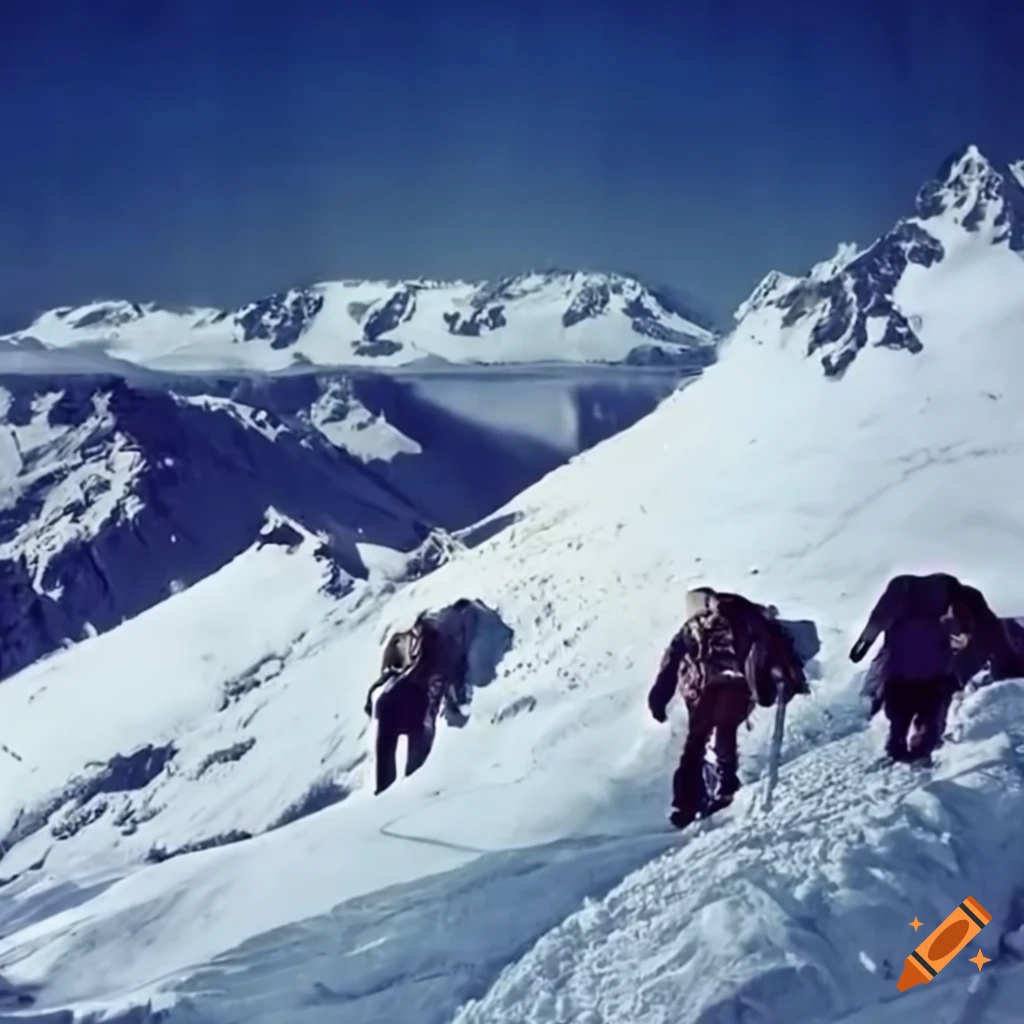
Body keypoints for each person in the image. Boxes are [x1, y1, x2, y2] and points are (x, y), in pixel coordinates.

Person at [647, 587, 807, 829]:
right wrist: (660, 696)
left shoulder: (724, 621)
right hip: (720, 685)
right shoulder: (701, 627)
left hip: (734, 684)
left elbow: (672, 664)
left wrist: (659, 696)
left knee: (712, 732)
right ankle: (703, 794)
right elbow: (673, 663)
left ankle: (702, 796)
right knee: (709, 734)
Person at [849, 573, 969, 763]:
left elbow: (879, 618)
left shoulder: (900, 588)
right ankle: (922, 747)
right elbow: (961, 624)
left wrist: (863, 643)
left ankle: (897, 744)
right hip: (934, 664)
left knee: (899, 711)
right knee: (931, 709)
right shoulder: (947, 591)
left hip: (898, 663)